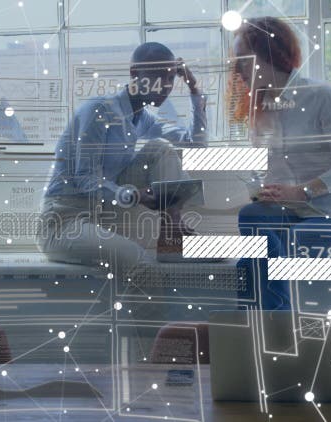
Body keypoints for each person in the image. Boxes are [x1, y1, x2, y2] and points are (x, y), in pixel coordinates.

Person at [37, 42, 207, 274]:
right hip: (64, 222)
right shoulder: (100, 110)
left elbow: (195, 144)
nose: (166, 85)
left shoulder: (142, 118)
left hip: (101, 214)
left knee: (160, 148)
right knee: (142, 264)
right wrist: (134, 195)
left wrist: (194, 88)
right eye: (158, 76)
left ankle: (172, 233)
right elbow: (85, 179)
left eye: (170, 78)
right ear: (135, 74)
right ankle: (170, 245)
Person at [230, 17, 331, 310]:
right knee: (250, 215)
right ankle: (269, 324)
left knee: (256, 258)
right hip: (286, 216)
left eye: (243, 59)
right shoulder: (261, 110)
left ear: (268, 55)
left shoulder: (322, 97)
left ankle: (268, 322)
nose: (237, 69)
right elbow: (265, 170)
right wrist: (263, 190)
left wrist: (303, 191)